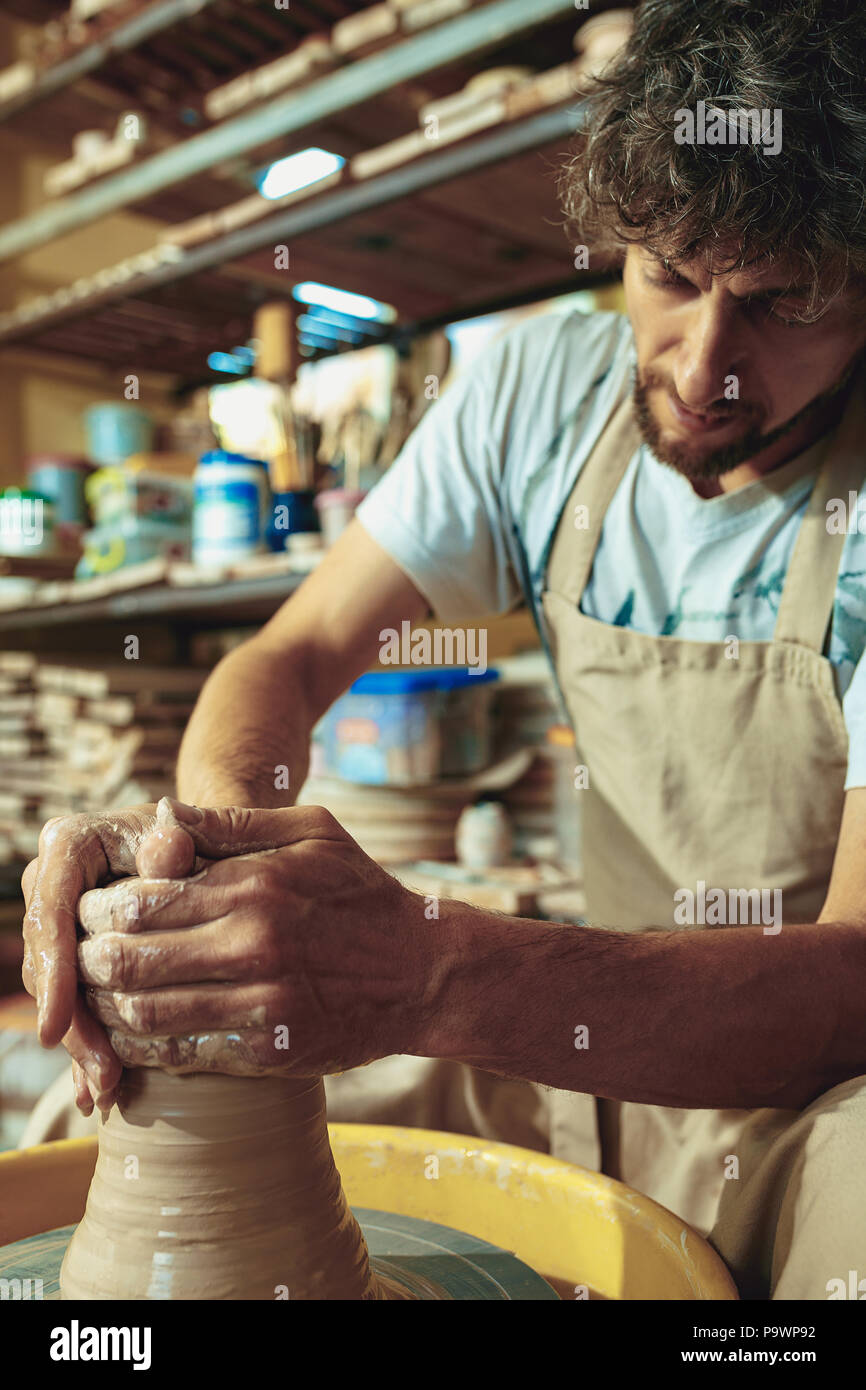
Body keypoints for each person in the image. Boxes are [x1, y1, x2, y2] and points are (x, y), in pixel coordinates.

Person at [21, 0, 866, 1299]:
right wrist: (208, 866)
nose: (706, 369)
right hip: (580, 1032)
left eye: (780, 301)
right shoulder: (541, 389)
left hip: (803, 1075)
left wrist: (427, 971)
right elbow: (291, 655)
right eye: (670, 277)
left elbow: (850, 983)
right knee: (100, 1114)